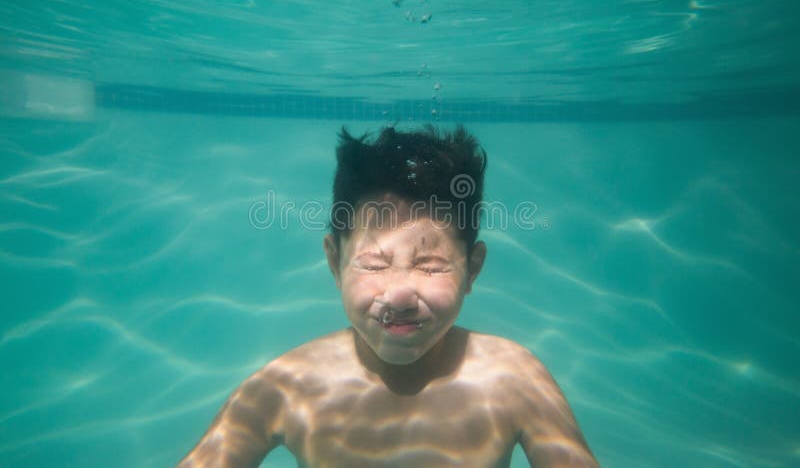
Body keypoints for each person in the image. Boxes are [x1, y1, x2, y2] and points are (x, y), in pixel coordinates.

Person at [179, 125, 598, 467]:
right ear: (333, 261)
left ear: (473, 267)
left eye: (429, 265)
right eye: (374, 265)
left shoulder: (512, 380)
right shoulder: (286, 387)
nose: (399, 295)